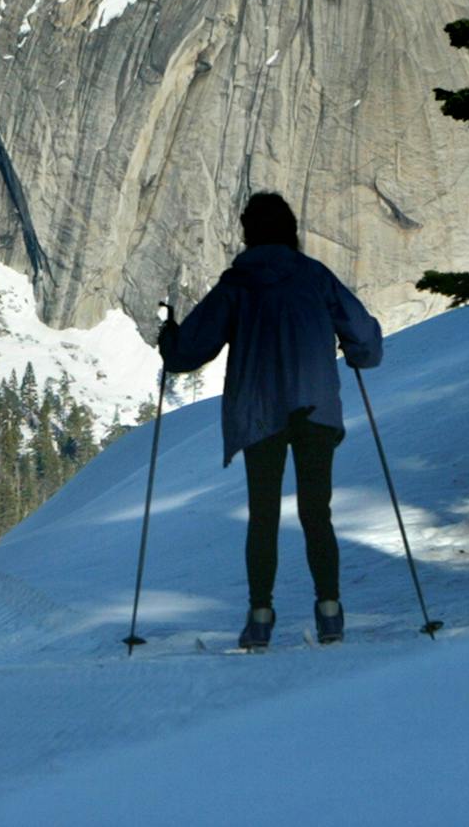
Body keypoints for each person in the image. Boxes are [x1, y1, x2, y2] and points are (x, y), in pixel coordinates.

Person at [160, 191, 382, 650]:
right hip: (316, 409)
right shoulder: (315, 277)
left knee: (263, 515)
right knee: (316, 512)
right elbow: (365, 340)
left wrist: (169, 338)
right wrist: (356, 351)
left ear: (247, 233)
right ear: (290, 230)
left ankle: (260, 618)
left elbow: (189, 351)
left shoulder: (237, 286)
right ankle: (330, 613)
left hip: (259, 413)